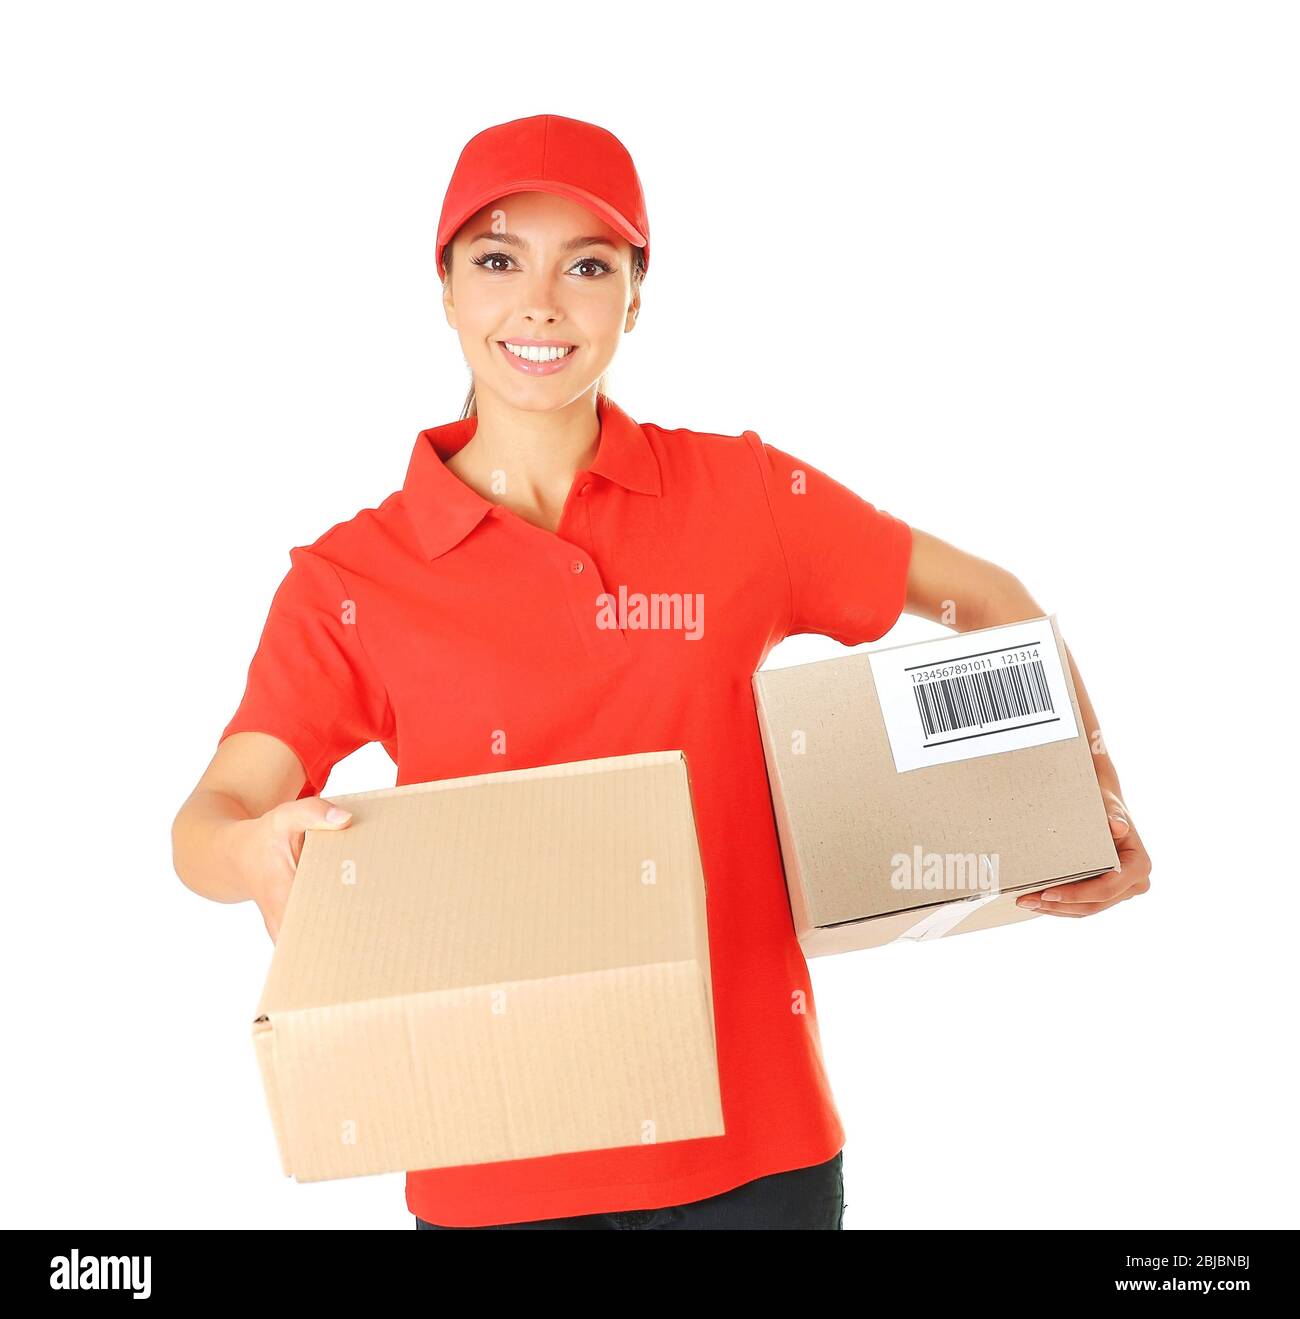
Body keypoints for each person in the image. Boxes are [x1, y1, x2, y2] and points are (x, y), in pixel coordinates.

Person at [171, 114, 1152, 1231]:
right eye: (498, 260)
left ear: (635, 297)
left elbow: (987, 600)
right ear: (443, 289)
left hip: (761, 1152)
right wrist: (252, 849)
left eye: (587, 265)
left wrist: (1086, 793)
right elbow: (210, 817)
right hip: (494, 1164)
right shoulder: (353, 579)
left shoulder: (742, 498)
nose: (540, 303)